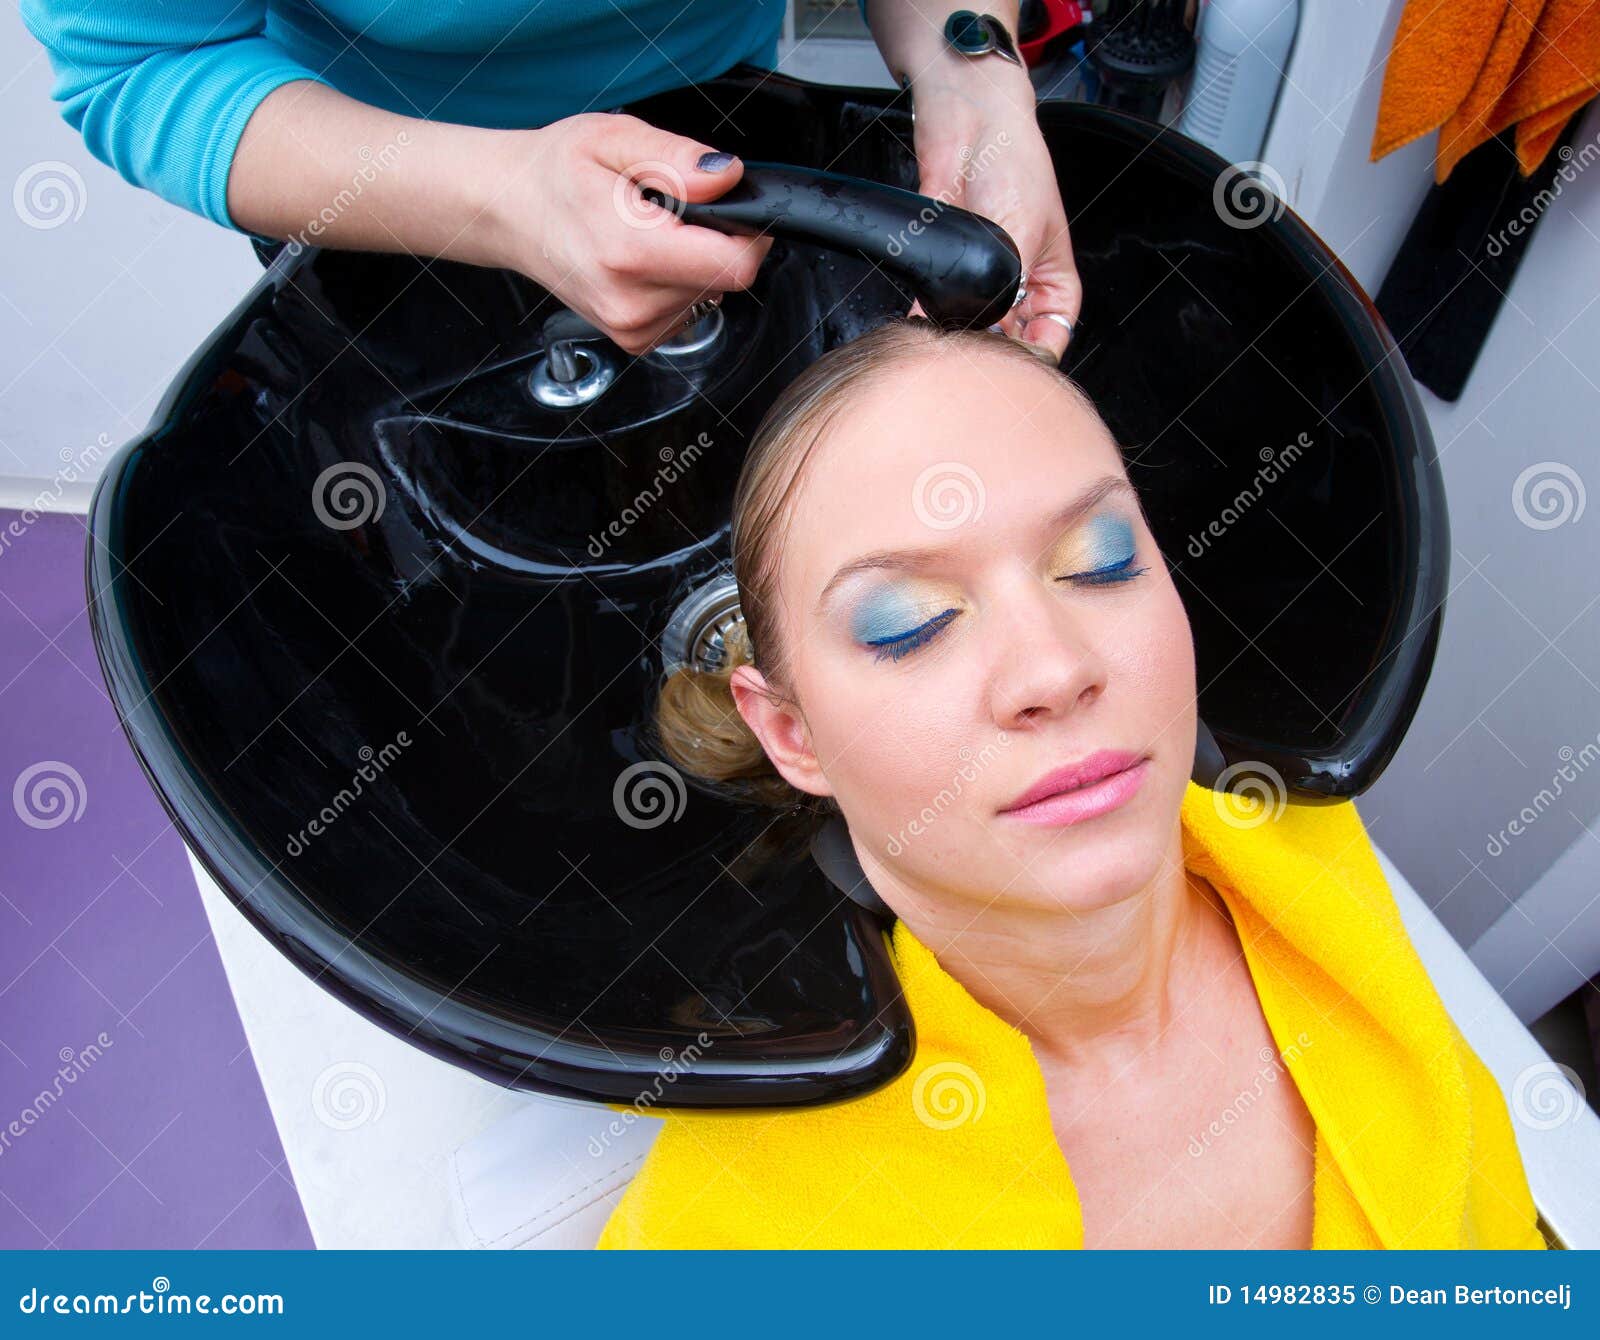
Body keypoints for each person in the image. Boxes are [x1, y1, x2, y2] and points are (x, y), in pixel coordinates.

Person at [601, 317, 1546, 1249]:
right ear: (792, 734)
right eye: (910, 623)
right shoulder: (733, 1239)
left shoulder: (1302, 846)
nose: (1054, 670)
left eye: (1100, 562)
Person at [18, 0, 1080, 358]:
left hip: (735, 125)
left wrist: (971, 76)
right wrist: (504, 195)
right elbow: (144, 63)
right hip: (393, 195)